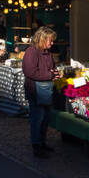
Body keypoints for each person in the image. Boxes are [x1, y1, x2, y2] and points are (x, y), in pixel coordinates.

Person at [22, 27, 59, 158]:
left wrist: (55, 73)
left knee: (45, 118)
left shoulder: (47, 52)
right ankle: (36, 146)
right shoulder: (31, 52)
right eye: (50, 40)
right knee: (37, 118)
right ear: (42, 39)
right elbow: (30, 71)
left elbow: (52, 67)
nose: (52, 43)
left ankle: (42, 142)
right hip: (35, 91)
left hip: (46, 90)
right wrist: (49, 75)